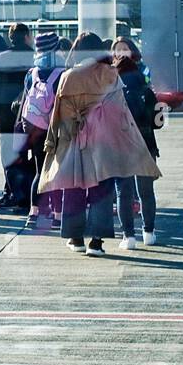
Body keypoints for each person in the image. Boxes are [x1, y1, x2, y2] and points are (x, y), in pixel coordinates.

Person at [39, 32, 161, 256]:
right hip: (104, 141)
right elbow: (120, 112)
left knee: (74, 188)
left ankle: (76, 239)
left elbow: (59, 114)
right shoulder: (110, 74)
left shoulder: (68, 76)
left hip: (75, 141)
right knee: (101, 190)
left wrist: (55, 141)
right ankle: (96, 241)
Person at [113, 37, 161, 249]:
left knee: (124, 191)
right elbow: (158, 122)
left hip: (120, 144)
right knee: (146, 190)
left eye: (124, 49)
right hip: (145, 142)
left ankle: (128, 237)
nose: (121, 53)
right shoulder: (145, 84)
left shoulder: (109, 84)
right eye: (118, 49)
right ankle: (149, 233)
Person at [21, 31, 67, 228]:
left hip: (34, 128)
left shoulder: (31, 73)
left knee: (40, 170)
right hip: (54, 129)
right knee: (55, 172)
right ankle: (57, 215)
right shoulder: (61, 73)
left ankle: (34, 212)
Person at [0, 23, 35, 212]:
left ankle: (16, 192)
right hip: (30, 116)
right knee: (27, 156)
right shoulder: (34, 57)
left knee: (9, 157)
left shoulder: (1, 59)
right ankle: (22, 192)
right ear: (26, 37)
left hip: (6, 117)